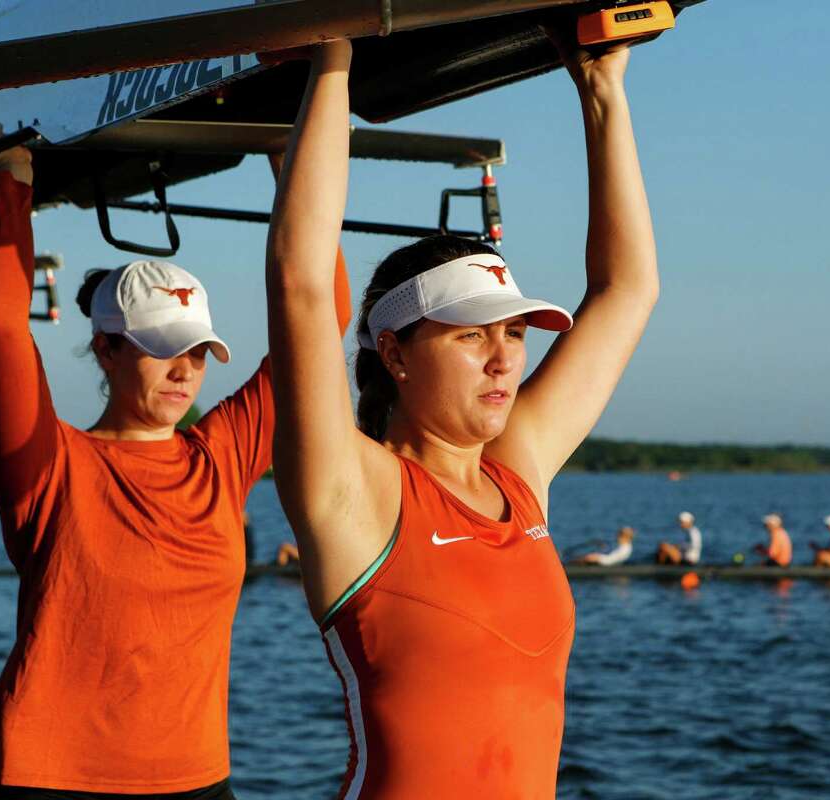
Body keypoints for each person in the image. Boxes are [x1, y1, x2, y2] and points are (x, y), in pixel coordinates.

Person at [264, 29, 658, 799]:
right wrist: (333, 54)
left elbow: (627, 291)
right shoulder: (354, 493)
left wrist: (604, 89)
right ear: (395, 352)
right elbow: (301, 283)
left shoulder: (521, 471)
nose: (506, 358)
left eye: (513, 332)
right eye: (472, 335)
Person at [0, 117, 349, 798]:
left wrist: (289, 159)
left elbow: (323, 315)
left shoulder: (224, 456)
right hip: (52, 781)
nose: (185, 370)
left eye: (198, 351)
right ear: (106, 348)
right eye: (161, 348)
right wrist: (12, 179)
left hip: (198, 780)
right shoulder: (46, 466)